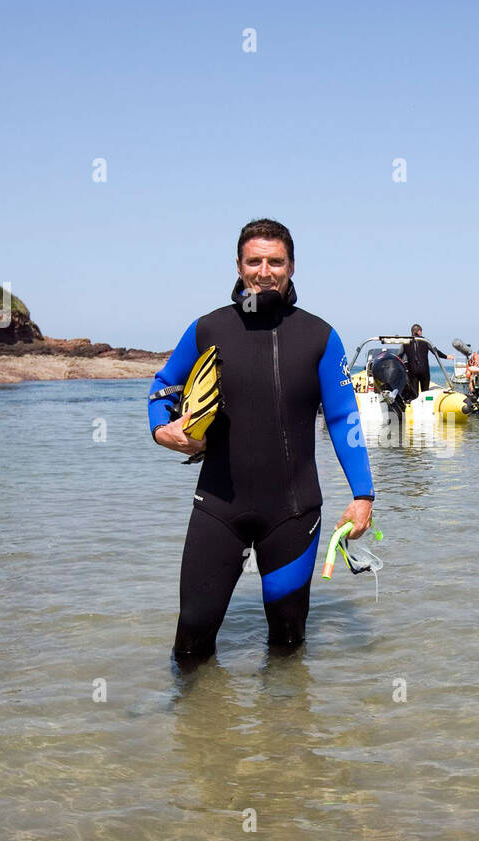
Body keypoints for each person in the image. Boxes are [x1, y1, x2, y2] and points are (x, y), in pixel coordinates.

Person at [148, 219, 375, 667]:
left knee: (287, 651)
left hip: (293, 514)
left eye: (276, 261)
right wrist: (162, 430)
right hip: (218, 508)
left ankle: (284, 737)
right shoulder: (208, 329)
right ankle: (196, 734)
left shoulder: (319, 337)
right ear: (238, 265)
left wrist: (363, 494)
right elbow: (163, 387)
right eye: (255, 261)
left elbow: (343, 417)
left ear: (291, 266)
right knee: (189, 645)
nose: (264, 271)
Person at [401, 323, 449, 395]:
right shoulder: (425, 341)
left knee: (415, 394)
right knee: (425, 393)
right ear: (419, 331)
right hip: (424, 370)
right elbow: (435, 352)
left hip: (412, 371)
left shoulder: (405, 342)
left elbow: (399, 355)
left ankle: (415, 403)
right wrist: (446, 356)